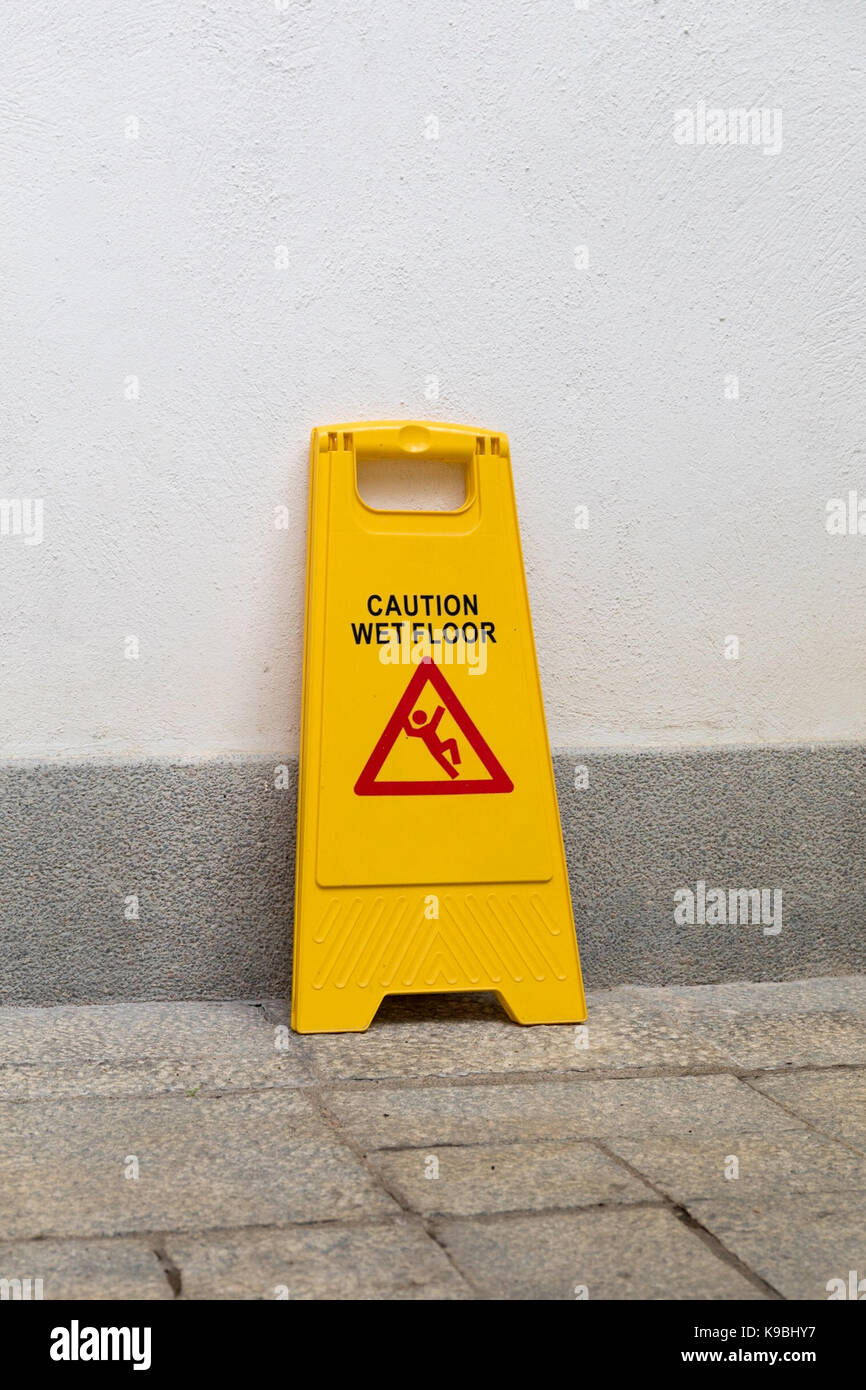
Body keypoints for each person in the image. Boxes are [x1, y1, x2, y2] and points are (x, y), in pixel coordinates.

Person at [404, 705, 461, 778]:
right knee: (451, 744)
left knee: (451, 745)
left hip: (437, 748)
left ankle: (457, 766)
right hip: (436, 749)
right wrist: (440, 708)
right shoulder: (427, 728)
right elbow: (410, 732)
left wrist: (404, 717)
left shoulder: (426, 729)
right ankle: (457, 766)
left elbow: (410, 731)